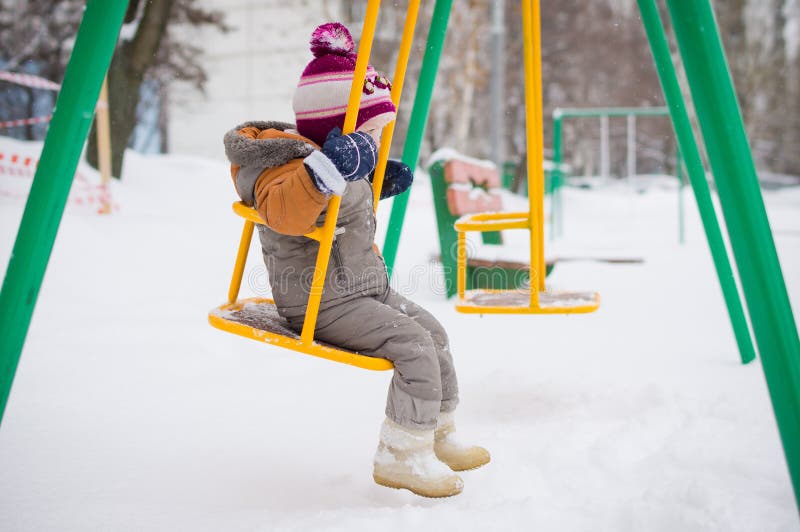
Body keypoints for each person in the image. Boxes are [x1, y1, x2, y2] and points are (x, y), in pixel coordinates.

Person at [223, 22, 489, 498]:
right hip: (320, 302)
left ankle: (437, 435)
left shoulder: (331, 161)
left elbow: (337, 210)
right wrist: (327, 173)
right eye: (367, 131)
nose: (371, 141)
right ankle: (401, 456)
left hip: (362, 288)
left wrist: (373, 185)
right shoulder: (277, 167)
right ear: (335, 127)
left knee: (433, 334)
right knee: (412, 345)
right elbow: (287, 212)